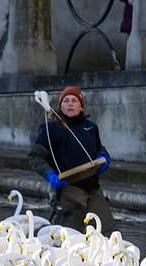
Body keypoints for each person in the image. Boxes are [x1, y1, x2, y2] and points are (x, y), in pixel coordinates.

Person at [31, 85, 116, 234]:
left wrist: (103, 156)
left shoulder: (90, 127)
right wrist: (50, 174)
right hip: (68, 188)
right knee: (67, 235)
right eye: (66, 101)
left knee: (106, 232)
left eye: (74, 100)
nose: (70, 104)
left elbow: (99, 148)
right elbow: (35, 157)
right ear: (61, 106)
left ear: (81, 106)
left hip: (92, 188)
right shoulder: (50, 129)